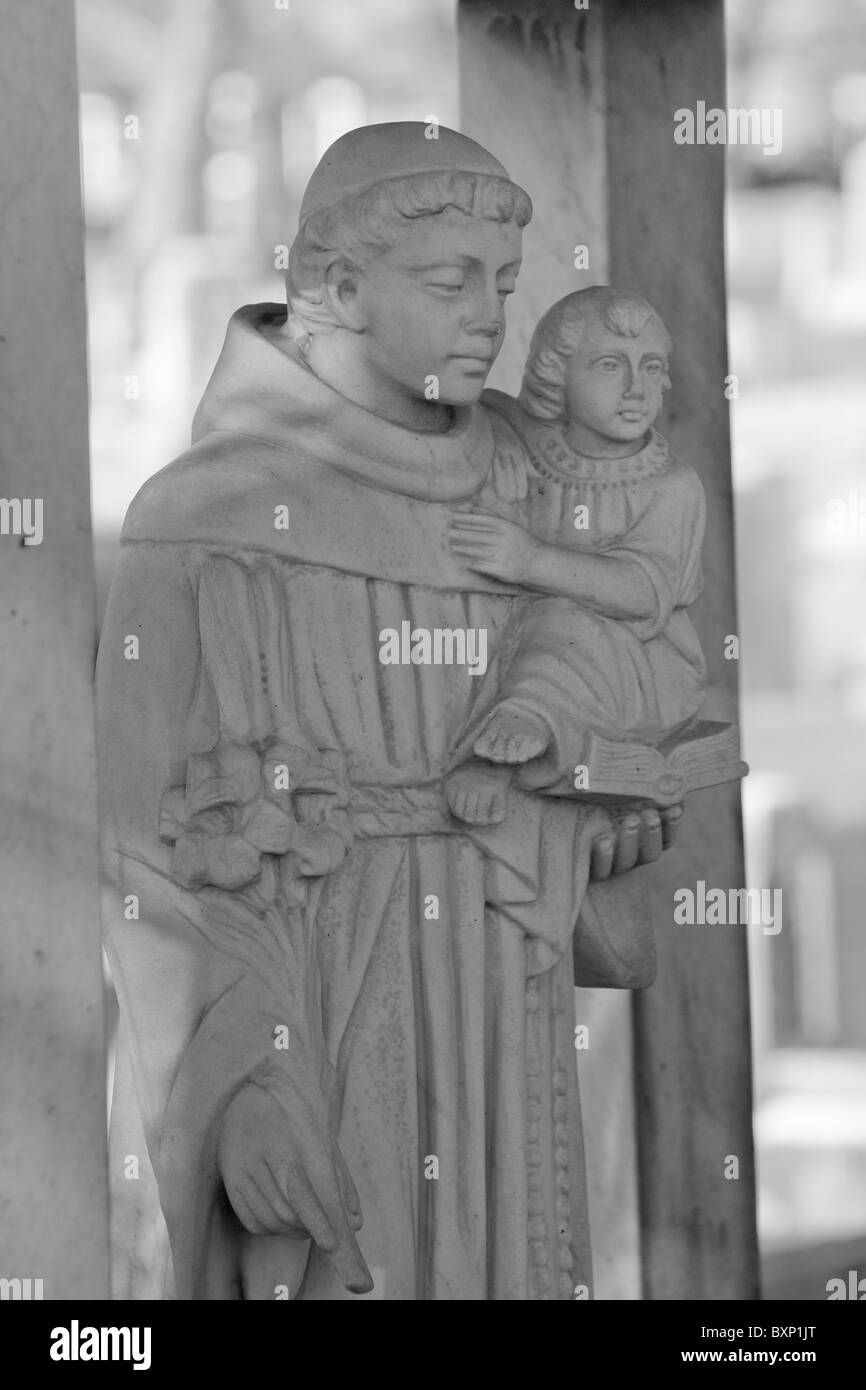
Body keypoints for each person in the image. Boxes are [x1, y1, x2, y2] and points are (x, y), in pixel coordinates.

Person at [97, 125, 681, 1302]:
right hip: (311, 1003)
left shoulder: (534, 483)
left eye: (504, 285)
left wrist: (601, 812)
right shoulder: (208, 518)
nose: (489, 318)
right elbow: (137, 853)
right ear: (338, 285)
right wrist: (245, 1089)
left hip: (497, 989)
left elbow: (629, 681)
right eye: (449, 280)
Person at [446, 287, 707, 824]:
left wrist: (531, 561)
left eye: (651, 366)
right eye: (610, 365)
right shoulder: (524, 437)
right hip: (536, 643)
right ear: (553, 376)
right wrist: (488, 439)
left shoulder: (672, 485)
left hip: (642, 664)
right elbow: (477, 408)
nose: (637, 388)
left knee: (563, 616)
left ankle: (520, 729)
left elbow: (640, 593)